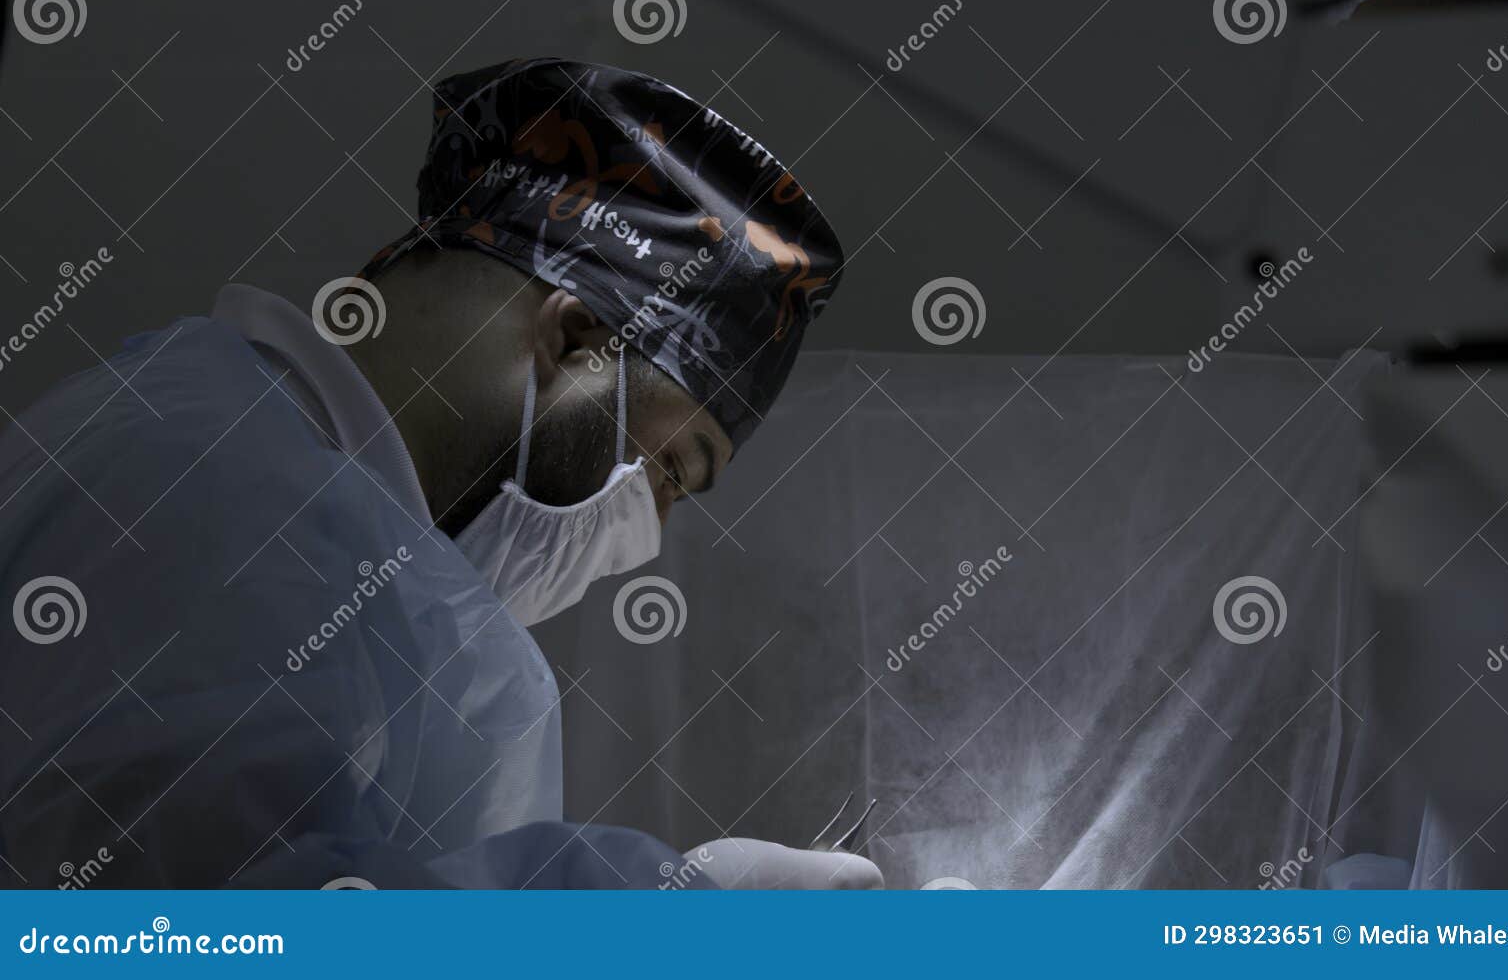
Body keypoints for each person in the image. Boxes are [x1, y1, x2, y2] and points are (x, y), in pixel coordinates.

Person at [0, 58, 880, 889]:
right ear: (576, 343)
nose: (645, 541)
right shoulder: (209, 488)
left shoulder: (336, 546)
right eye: (672, 470)